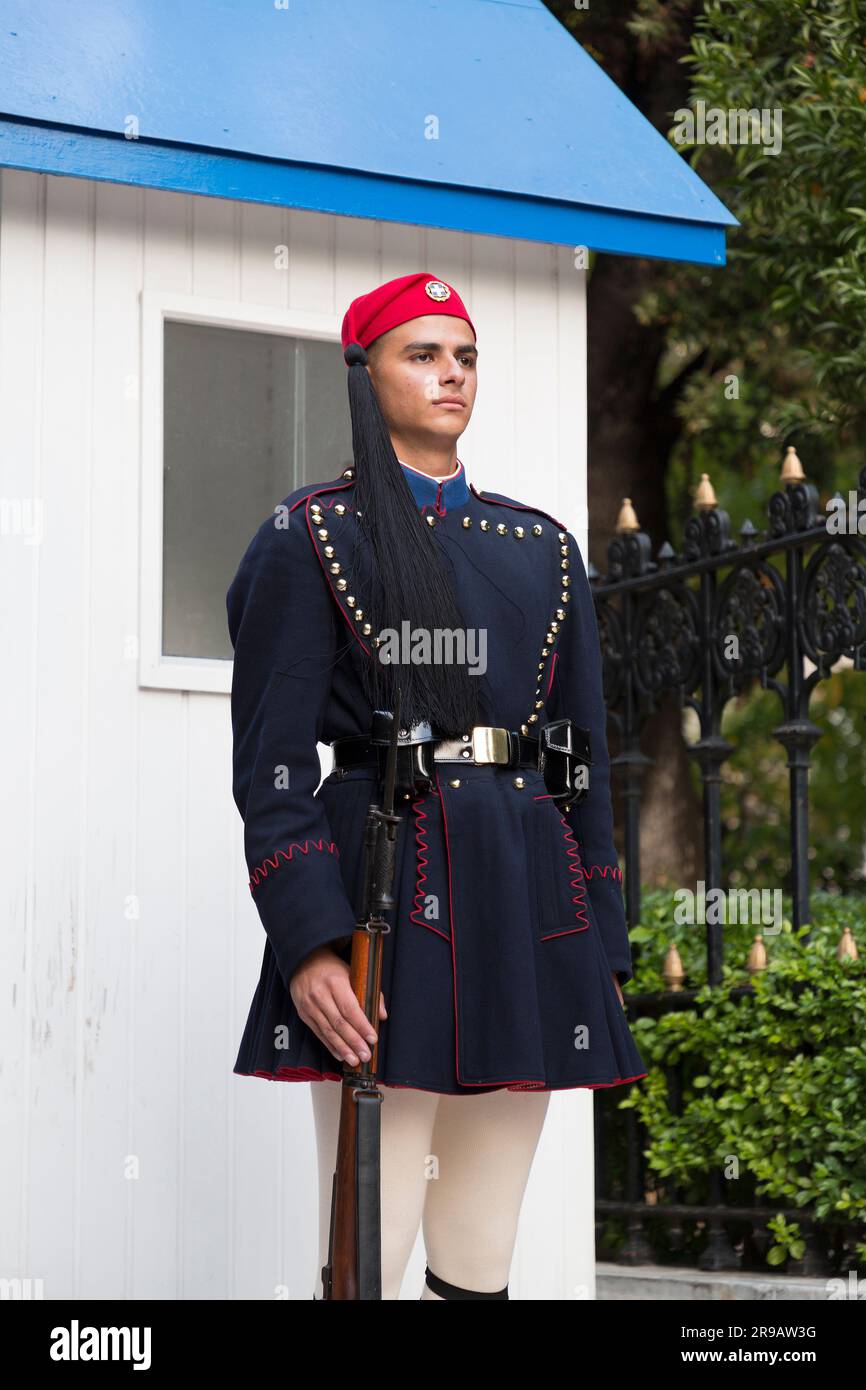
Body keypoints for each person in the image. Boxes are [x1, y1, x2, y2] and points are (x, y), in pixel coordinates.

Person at [226, 272, 647, 1300]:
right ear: (363, 372)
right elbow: (271, 764)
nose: (450, 373)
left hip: (528, 898)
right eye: (421, 353)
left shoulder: (542, 546)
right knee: (367, 1250)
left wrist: (602, 937)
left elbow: (580, 757)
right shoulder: (310, 532)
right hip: (386, 892)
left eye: (463, 355)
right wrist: (308, 939)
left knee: (480, 1247)